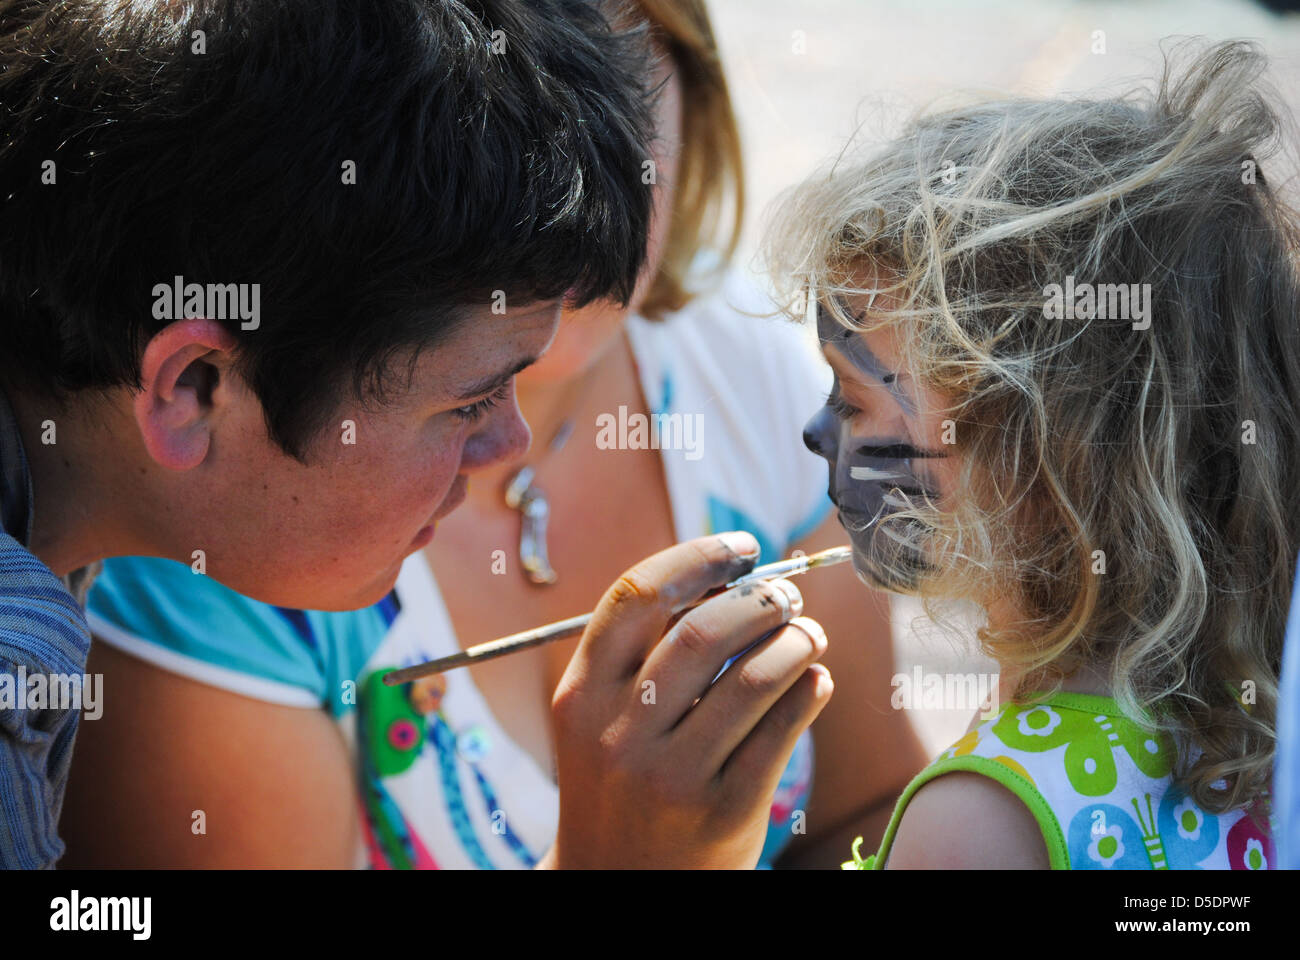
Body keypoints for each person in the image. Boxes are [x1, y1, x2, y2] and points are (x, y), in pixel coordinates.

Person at [65, 0, 925, 869]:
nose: (564, 181)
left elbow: (868, 809)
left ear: (694, 101)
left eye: (606, 78)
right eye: (498, 89)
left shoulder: (750, 370)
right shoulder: (237, 515)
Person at [772, 39, 1295, 869]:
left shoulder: (977, 825)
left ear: (1049, 462)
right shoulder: (1252, 710)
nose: (817, 429)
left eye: (856, 395)